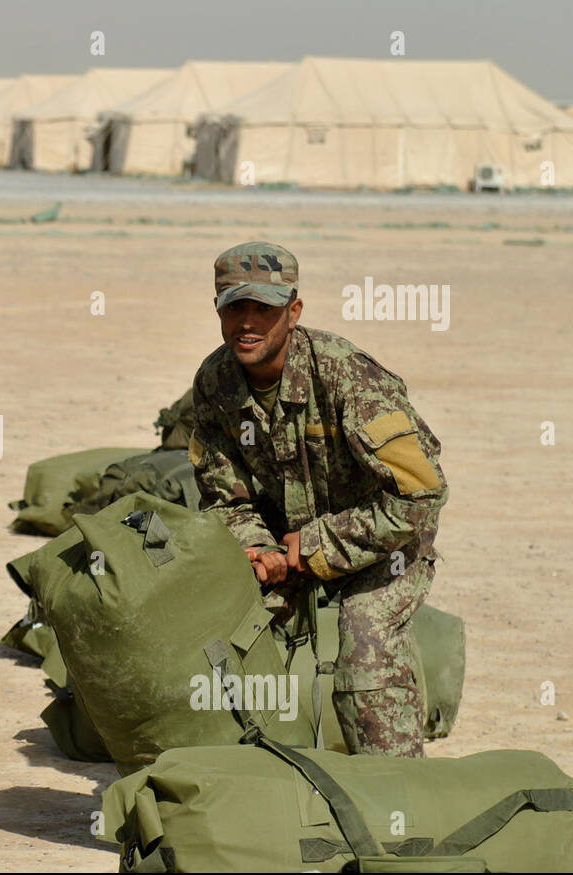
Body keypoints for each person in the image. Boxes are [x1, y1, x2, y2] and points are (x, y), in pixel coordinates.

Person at [188, 241, 448, 758]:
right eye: (234, 306)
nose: (247, 322)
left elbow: (421, 495)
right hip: (282, 548)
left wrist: (313, 548)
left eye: (264, 308)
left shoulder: (348, 378)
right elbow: (225, 500)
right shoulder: (215, 383)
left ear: (294, 312)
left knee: (365, 646)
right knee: (217, 641)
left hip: (382, 546)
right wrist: (259, 553)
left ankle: (396, 799)